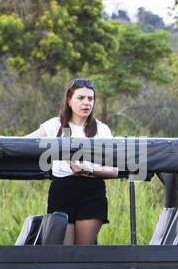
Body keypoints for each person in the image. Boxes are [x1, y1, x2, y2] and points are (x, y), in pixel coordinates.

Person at [25, 78, 119, 246]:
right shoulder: (55, 125)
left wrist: (87, 169)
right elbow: (23, 142)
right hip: (62, 191)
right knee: (63, 253)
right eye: (81, 98)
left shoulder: (102, 129)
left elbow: (114, 170)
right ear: (69, 100)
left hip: (92, 191)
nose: (86, 103)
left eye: (90, 99)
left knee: (82, 253)